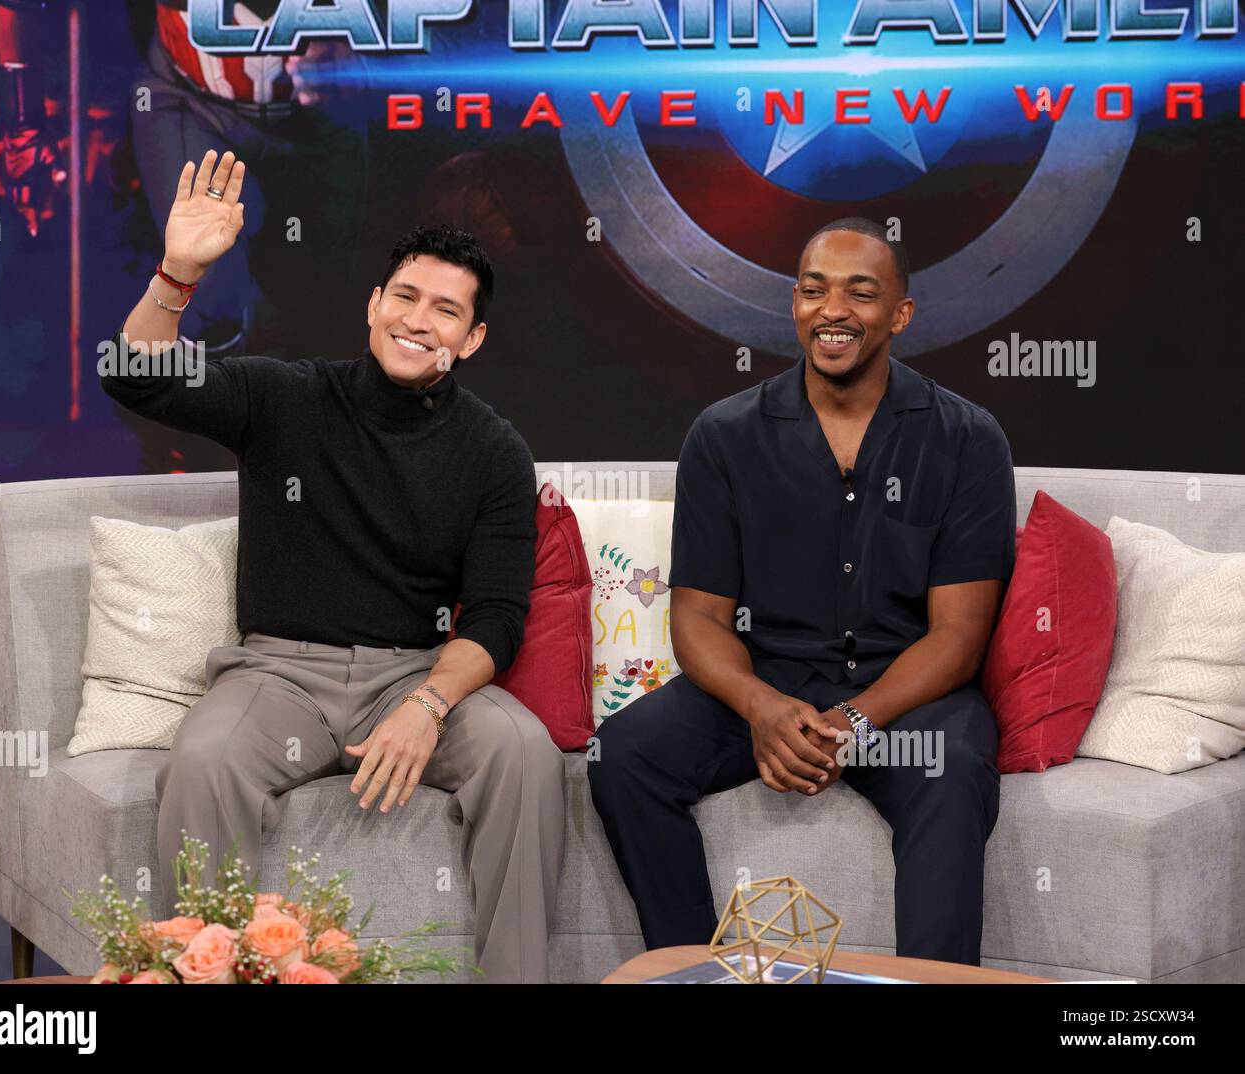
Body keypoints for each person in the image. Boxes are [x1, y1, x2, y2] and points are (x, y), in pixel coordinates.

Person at [101, 149, 565, 984]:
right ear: (373, 305)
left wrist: (427, 703)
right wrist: (176, 273)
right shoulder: (289, 397)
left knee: (525, 754)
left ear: (474, 336)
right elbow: (137, 380)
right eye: (407, 297)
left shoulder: (495, 451)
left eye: (447, 311)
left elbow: (497, 615)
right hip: (279, 674)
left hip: (416, 675)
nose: (421, 321)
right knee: (204, 760)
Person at [588, 217, 1016, 967]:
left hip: (905, 698)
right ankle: (698, 978)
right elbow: (696, 616)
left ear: (900, 315)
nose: (834, 310)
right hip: (768, 684)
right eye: (815, 290)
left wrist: (854, 719)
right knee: (624, 754)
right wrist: (761, 707)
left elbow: (958, 635)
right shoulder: (724, 435)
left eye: (861, 292)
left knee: (951, 772)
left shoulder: (966, 439)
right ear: (795, 305)